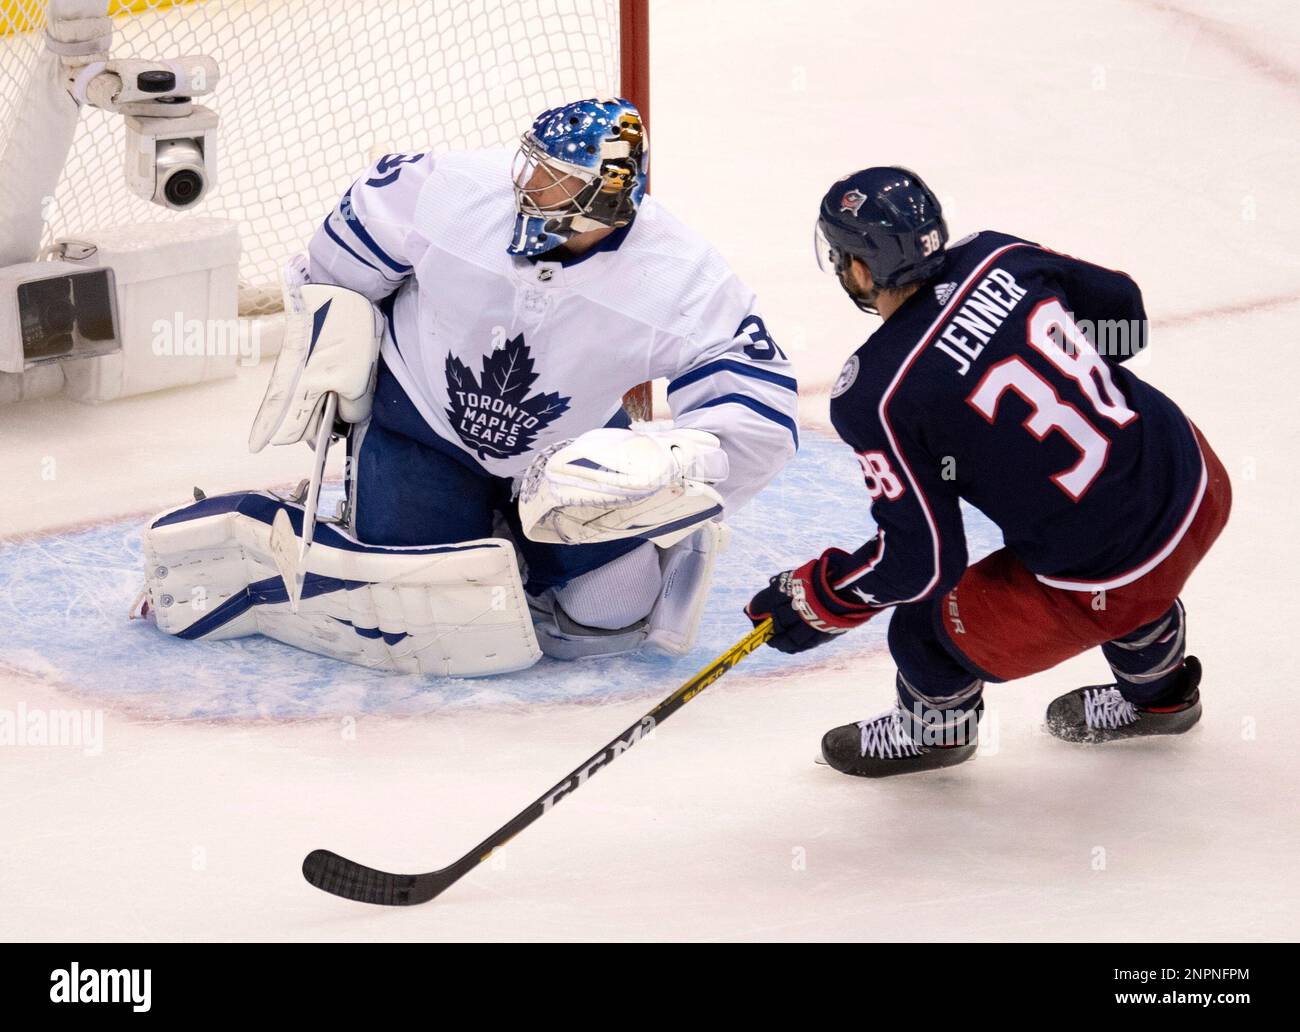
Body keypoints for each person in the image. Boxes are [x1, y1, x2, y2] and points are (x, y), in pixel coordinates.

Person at [138, 98, 797, 674]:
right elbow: (339, 262)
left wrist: (676, 466)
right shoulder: (449, 187)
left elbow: (759, 404)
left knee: (606, 624)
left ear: (604, 198)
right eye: (530, 163)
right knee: (425, 615)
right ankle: (336, 512)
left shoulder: (679, 277)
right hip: (421, 419)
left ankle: (524, 538)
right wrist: (335, 355)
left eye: (553, 178)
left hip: (569, 457)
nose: (526, 183)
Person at [745, 167, 1230, 777]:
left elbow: (920, 563)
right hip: (1194, 475)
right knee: (1121, 549)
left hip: (1119, 566)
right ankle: (1161, 695)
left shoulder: (878, 393)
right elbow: (1125, 317)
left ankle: (936, 735)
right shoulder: (997, 253)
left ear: (862, 271)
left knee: (923, 633)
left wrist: (823, 596)